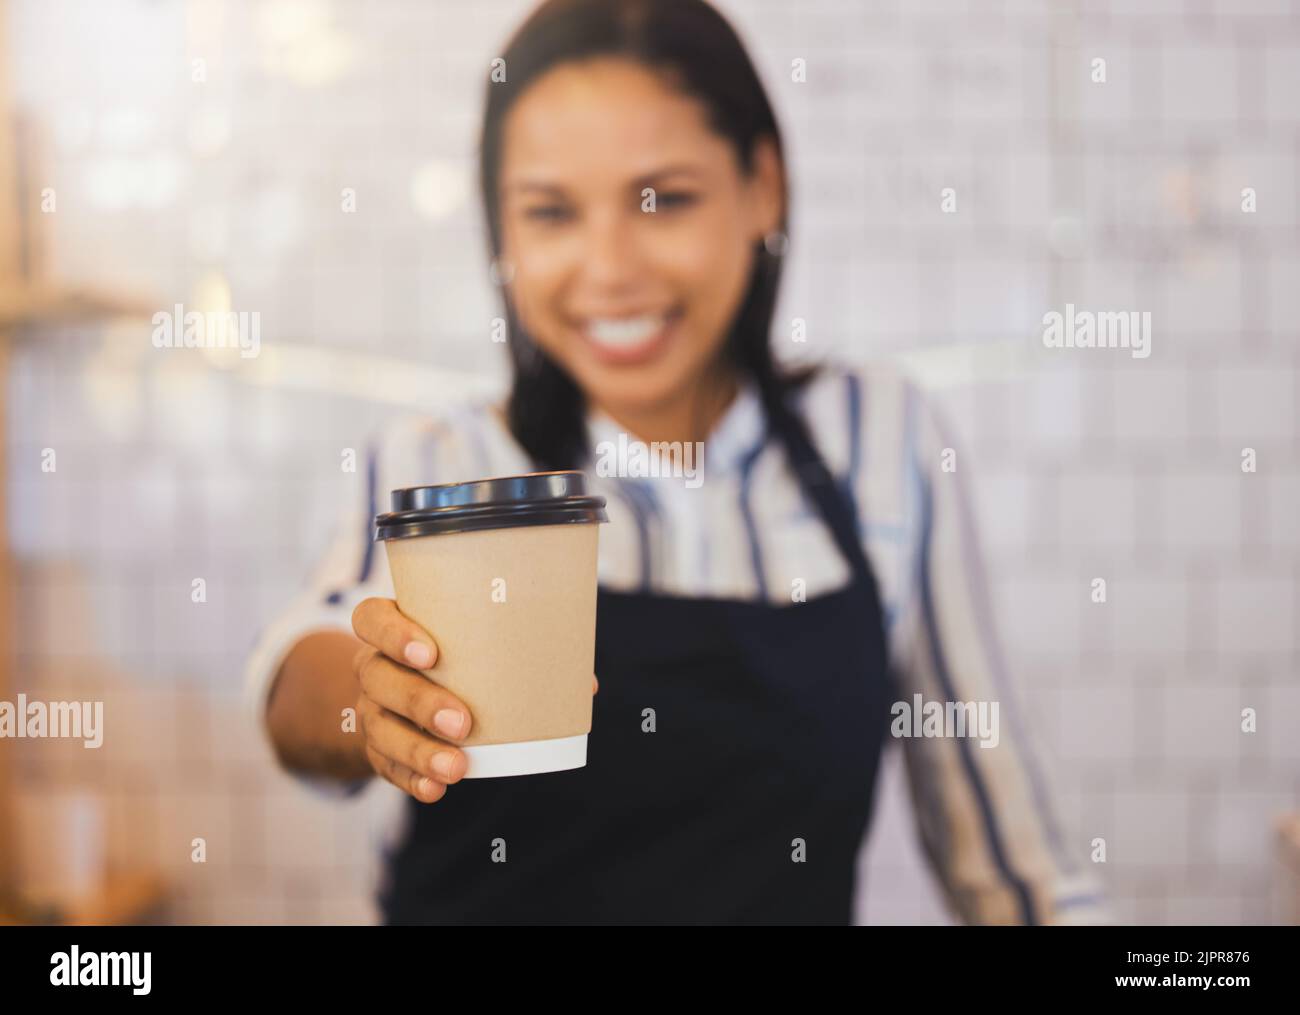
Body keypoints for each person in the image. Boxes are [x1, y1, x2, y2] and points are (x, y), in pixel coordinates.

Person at [244, 0, 1106, 925]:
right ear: (502, 234)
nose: (611, 268)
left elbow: (1017, 866)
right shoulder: (444, 460)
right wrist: (368, 705)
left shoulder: (880, 439)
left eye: (666, 200)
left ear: (762, 189)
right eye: (552, 213)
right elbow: (300, 678)